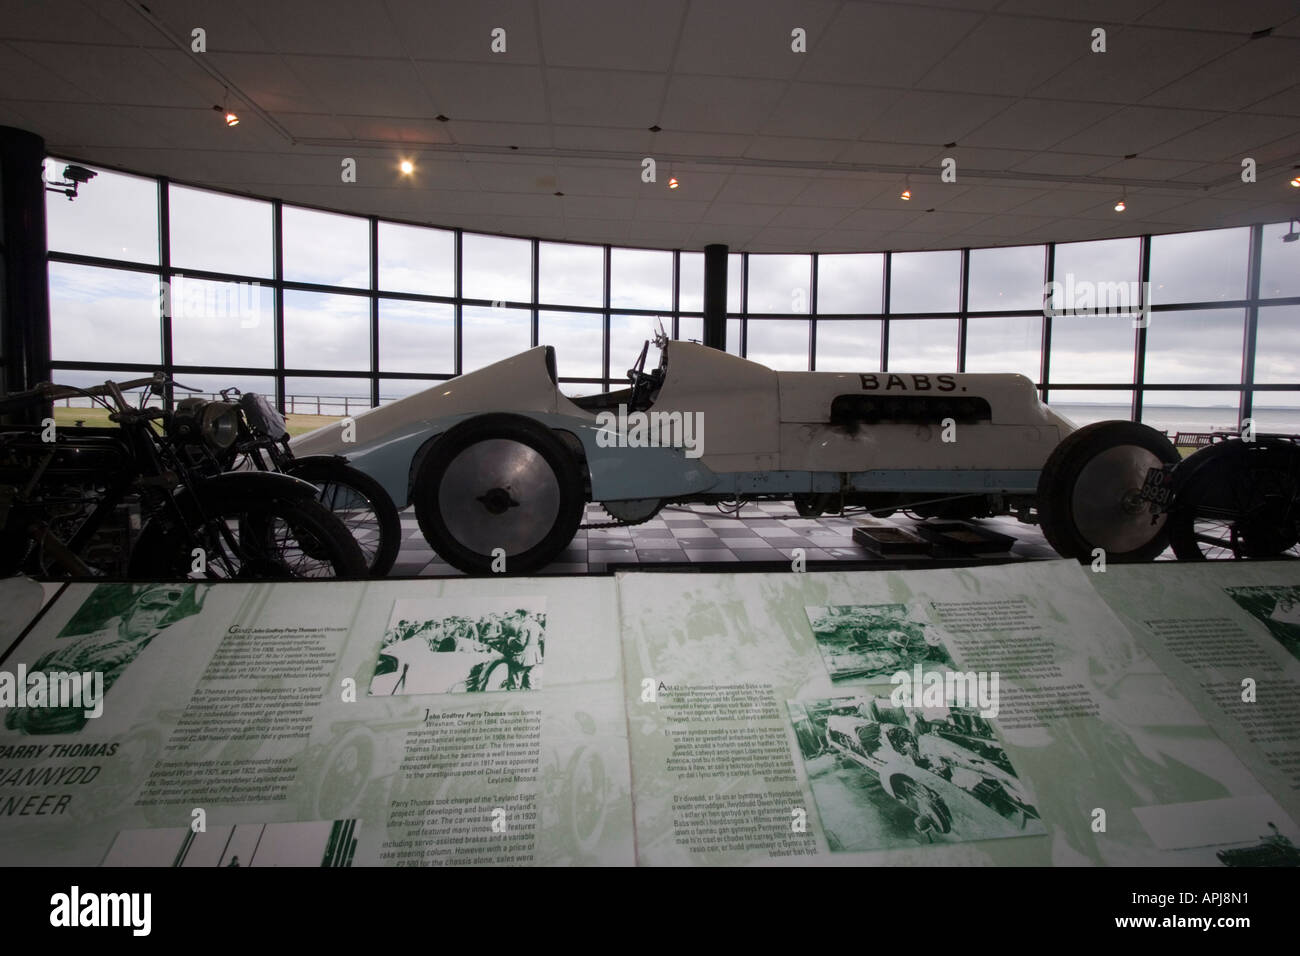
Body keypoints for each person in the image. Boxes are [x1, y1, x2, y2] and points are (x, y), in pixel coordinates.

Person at [5, 584, 194, 735]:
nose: (152, 617)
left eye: (160, 611)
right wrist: (95, 674)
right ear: (131, 611)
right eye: (148, 609)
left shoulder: (157, 642)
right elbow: (27, 713)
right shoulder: (87, 645)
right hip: (62, 735)